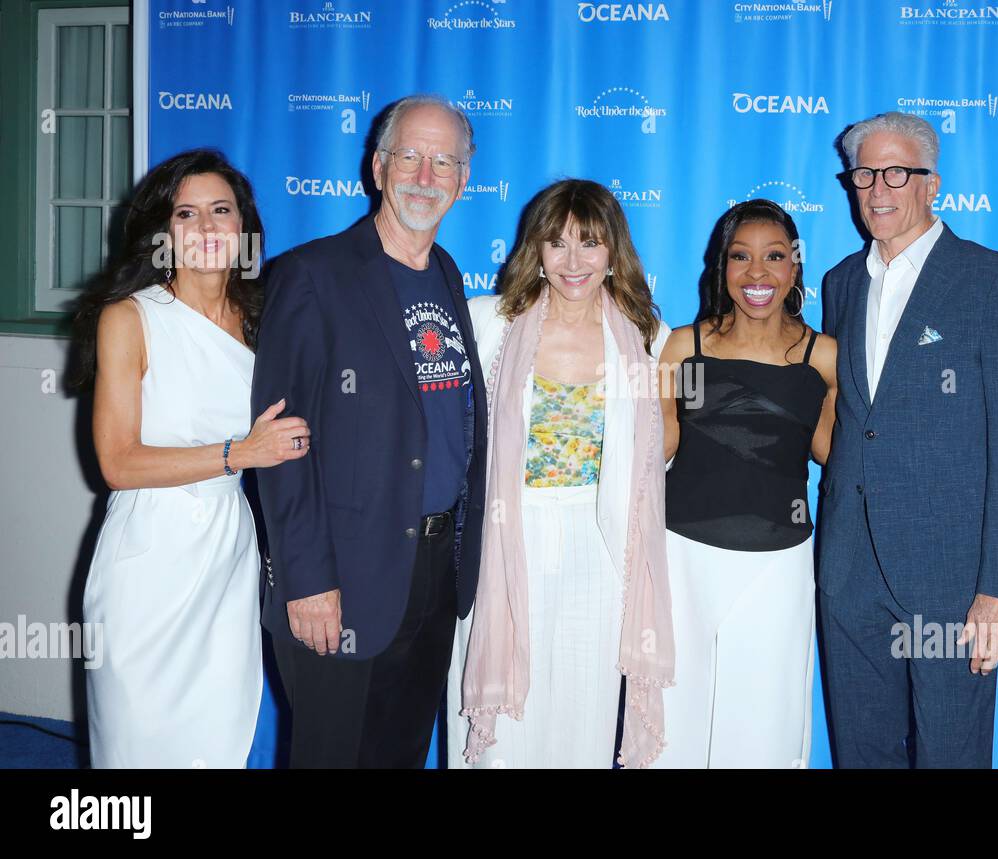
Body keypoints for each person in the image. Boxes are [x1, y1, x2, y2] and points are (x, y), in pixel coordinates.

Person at [251, 94, 488, 768]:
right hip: (340, 579)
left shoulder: (447, 274)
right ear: (378, 167)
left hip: (435, 573)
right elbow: (282, 443)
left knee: (400, 756)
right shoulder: (312, 276)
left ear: (464, 179)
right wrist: (305, 579)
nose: (425, 176)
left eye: (444, 162)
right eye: (409, 156)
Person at [818, 111, 998, 768]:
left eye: (896, 173)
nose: (877, 189)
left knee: (951, 754)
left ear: (932, 184)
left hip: (953, 578)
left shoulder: (992, 280)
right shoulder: (841, 282)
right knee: (861, 754)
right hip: (849, 570)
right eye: (864, 174)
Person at [74, 149, 305, 767]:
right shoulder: (131, 318)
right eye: (186, 213)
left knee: (214, 738)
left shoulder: (264, 320)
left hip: (227, 553)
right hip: (148, 552)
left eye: (220, 210)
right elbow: (118, 463)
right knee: (137, 740)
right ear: (164, 232)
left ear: (243, 225)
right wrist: (240, 454)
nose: (206, 226)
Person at [446, 178, 673, 769]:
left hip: (600, 547)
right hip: (504, 539)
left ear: (613, 251)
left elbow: (661, 452)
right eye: (558, 243)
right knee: (502, 734)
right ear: (537, 250)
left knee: (581, 713)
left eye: (590, 243)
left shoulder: (648, 338)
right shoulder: (488, 322)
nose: (573, 261)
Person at [653, 200, 836, 768]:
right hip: (682, 557)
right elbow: (656, 449)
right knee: (675, 717)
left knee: (763, 721)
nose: (757, 273)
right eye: (741, 257)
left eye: (774, 257)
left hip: (778, 564)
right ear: (722, 266)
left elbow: (833, 453)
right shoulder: (683, 347)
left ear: (795, 266)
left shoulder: (824, 357)